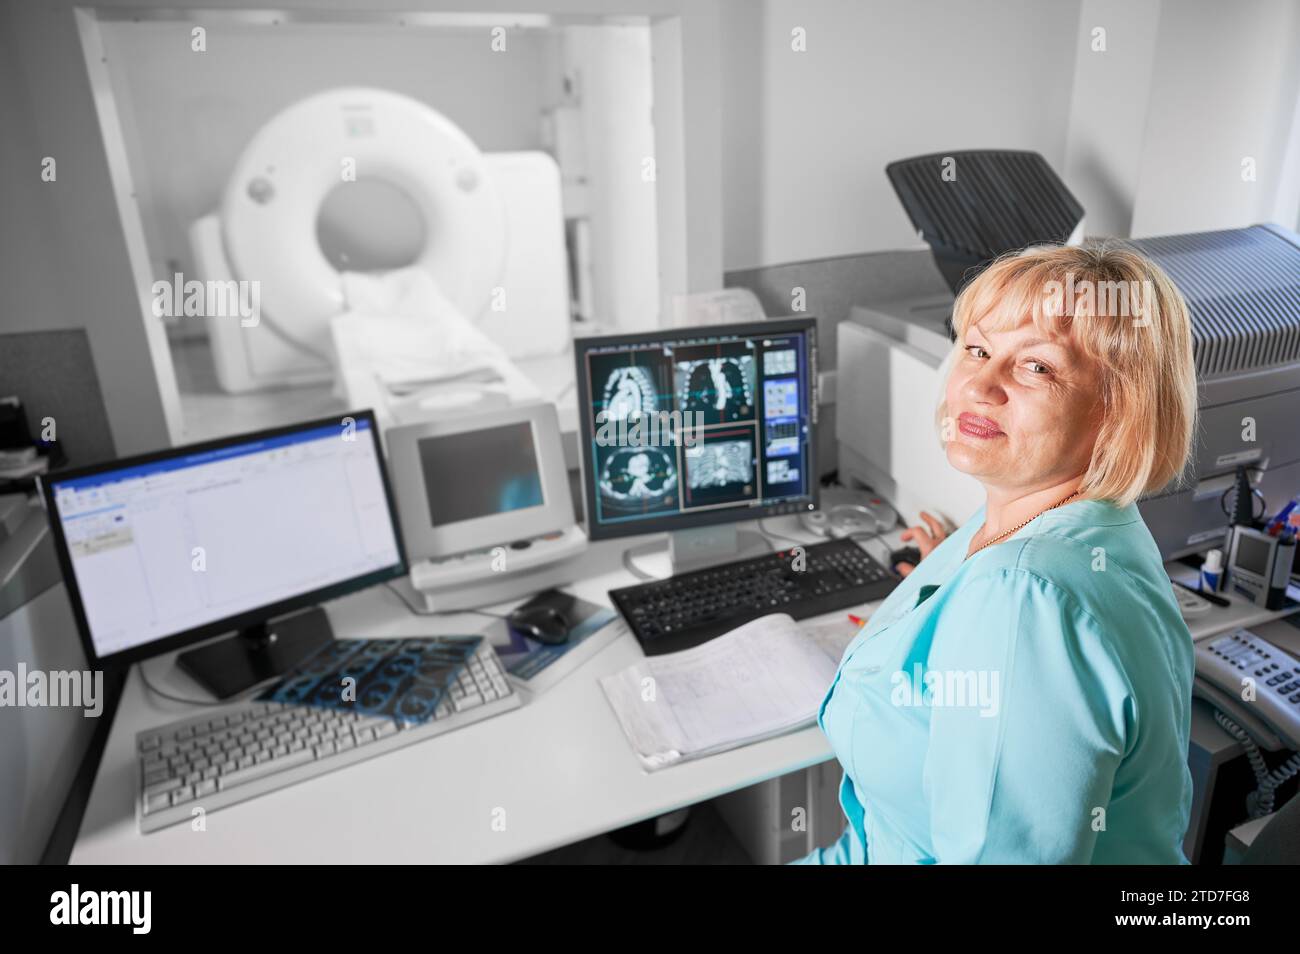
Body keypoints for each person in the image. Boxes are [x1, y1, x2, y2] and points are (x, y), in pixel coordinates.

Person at [792, 242, 1198, 864]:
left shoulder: (1024, 598)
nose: (980, 384)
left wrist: (992, 602)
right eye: (978, 350)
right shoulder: (1080, 525)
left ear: (1120, 413)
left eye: (1036, 367)